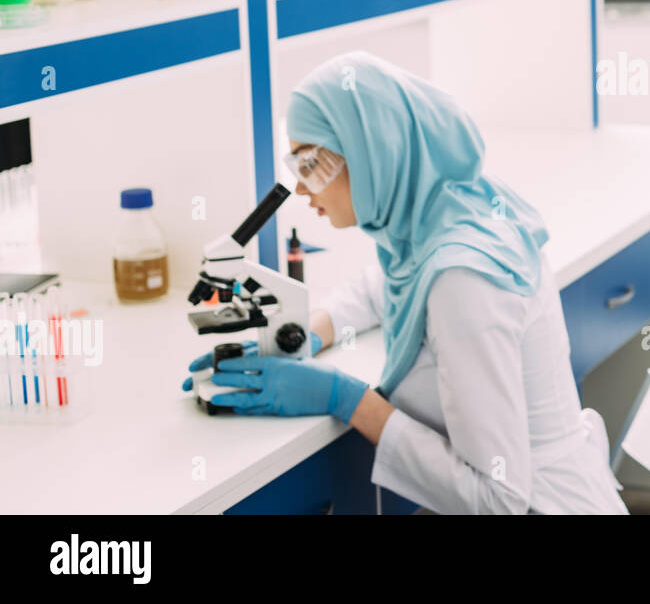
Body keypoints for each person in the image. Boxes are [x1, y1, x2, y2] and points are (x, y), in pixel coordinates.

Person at [183, 51, 627, 515]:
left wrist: (345, 398)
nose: (300, 188)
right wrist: (304, 334)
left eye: (310, 164)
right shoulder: (451, 207)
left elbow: (498, 499)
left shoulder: (462, 280)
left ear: (370, 150)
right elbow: (384, 286)